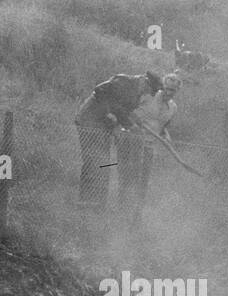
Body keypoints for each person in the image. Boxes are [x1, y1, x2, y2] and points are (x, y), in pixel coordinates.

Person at [75, 71, 163, 210]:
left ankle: (95, 204)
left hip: (104, 127)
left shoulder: (137, 94)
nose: (148, 93)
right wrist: (109, 113)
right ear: (145, 81)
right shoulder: (124, 82)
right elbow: (100, 90)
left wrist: (133, 122)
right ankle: (88, 203)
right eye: (149, 89)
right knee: (96, 162)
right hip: (90, 121)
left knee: (102, 165)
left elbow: (122, 110)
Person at [117, 73, 180, 213]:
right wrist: (133, 122)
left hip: (149, 148)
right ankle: (121, 210)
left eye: (172, 90)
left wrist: (166, 136)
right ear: (162, 86)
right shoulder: (148, 96)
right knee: (127, 177)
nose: (168, 92)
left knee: (143, 182)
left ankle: (137, 213)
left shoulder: (173, 108)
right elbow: (127, 112)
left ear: (177, 91)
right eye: (166, 88)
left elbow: (163, 127)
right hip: (131, 142)